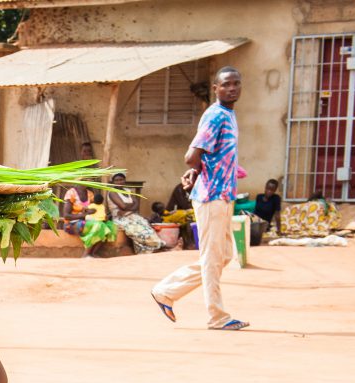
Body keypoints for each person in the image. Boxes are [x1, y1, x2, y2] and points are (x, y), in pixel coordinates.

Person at [150, 66, 248, 331]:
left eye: (236, 84)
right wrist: (195, 170)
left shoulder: (229, 114)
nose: (232, 88)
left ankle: (165, 291)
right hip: (211, 196)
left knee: (222, 256)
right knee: (213, 257)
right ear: (216, 88)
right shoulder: (215, 115)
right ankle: (217, 316)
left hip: (223, 195)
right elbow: (192, 155)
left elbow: (214, 155)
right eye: (226, 84)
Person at [105, 172, 164, 253]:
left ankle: (153, 245)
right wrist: (131, 205)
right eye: (116, 180)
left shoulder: (128, 191)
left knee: (146, 226)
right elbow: (124, 206)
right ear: (113, 182)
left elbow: (136, 205)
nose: (119, 182)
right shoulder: (112, 192)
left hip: (132, 216)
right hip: (120, 218)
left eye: (121, 180)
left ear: (124, 180)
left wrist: (127, 207)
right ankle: (147, 249)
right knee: (136, 230)